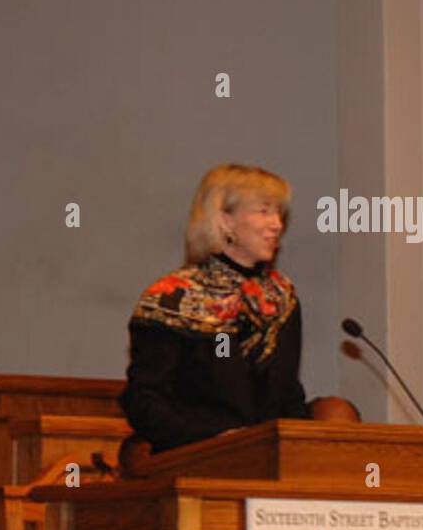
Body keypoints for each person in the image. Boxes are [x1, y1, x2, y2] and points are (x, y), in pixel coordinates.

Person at [120, 164, 310, 459]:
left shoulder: (281, 297)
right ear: (224, 220)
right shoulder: (172, 298)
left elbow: (289, 395)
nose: (277, 225)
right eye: (263, 211)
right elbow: (144, 401)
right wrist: (215, 439)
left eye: (279, 213)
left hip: (272, 462)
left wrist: (298, 449)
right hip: (195, 459)